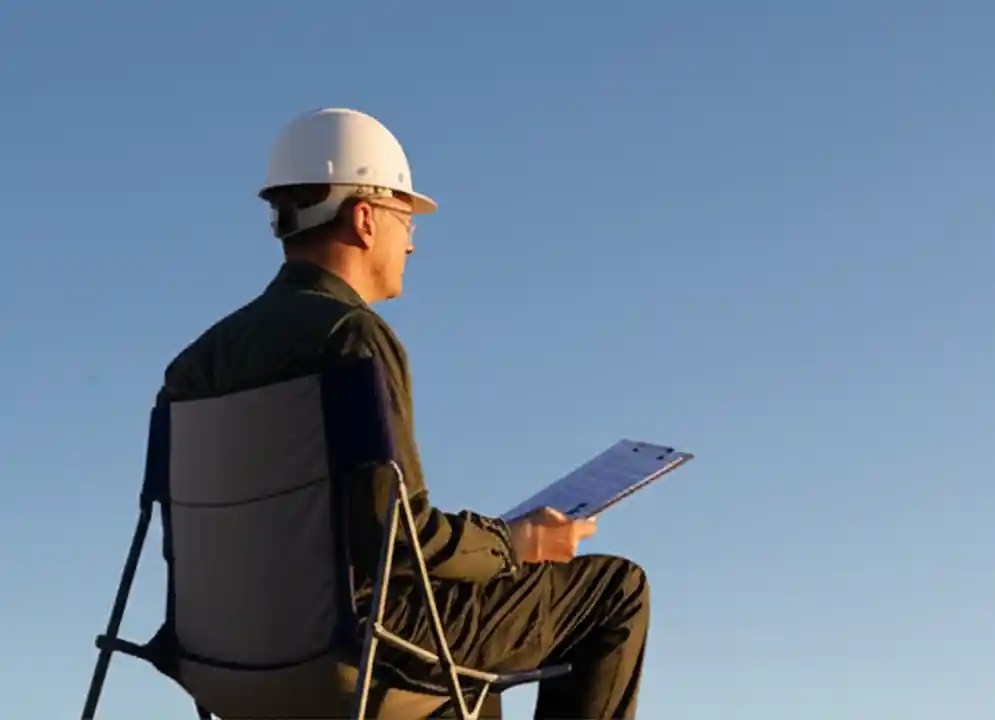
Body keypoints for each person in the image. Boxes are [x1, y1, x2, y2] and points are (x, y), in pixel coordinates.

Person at [158, 107, 650, 719]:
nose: (413, 240)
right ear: (365, 219)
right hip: (351, 648)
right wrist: (514, 542)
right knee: (614, 591)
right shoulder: (350, 336)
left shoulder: (190, 368)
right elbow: (395, 537)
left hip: (217, 663)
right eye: (404, 218)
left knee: (467, 671)